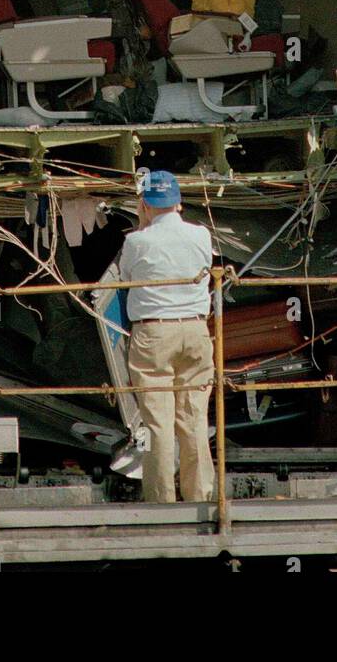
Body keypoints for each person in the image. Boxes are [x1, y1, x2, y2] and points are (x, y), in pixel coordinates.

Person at [119, 169, 215, 503]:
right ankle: (201, 497)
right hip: (196, 330)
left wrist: (143, 227)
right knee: (194, 419)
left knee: (157, 424)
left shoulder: (135, 241)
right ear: (178, 202)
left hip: (153, 333)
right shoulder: (202, 235)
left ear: (144, 203)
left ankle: (162, 503)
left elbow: (127, 275)